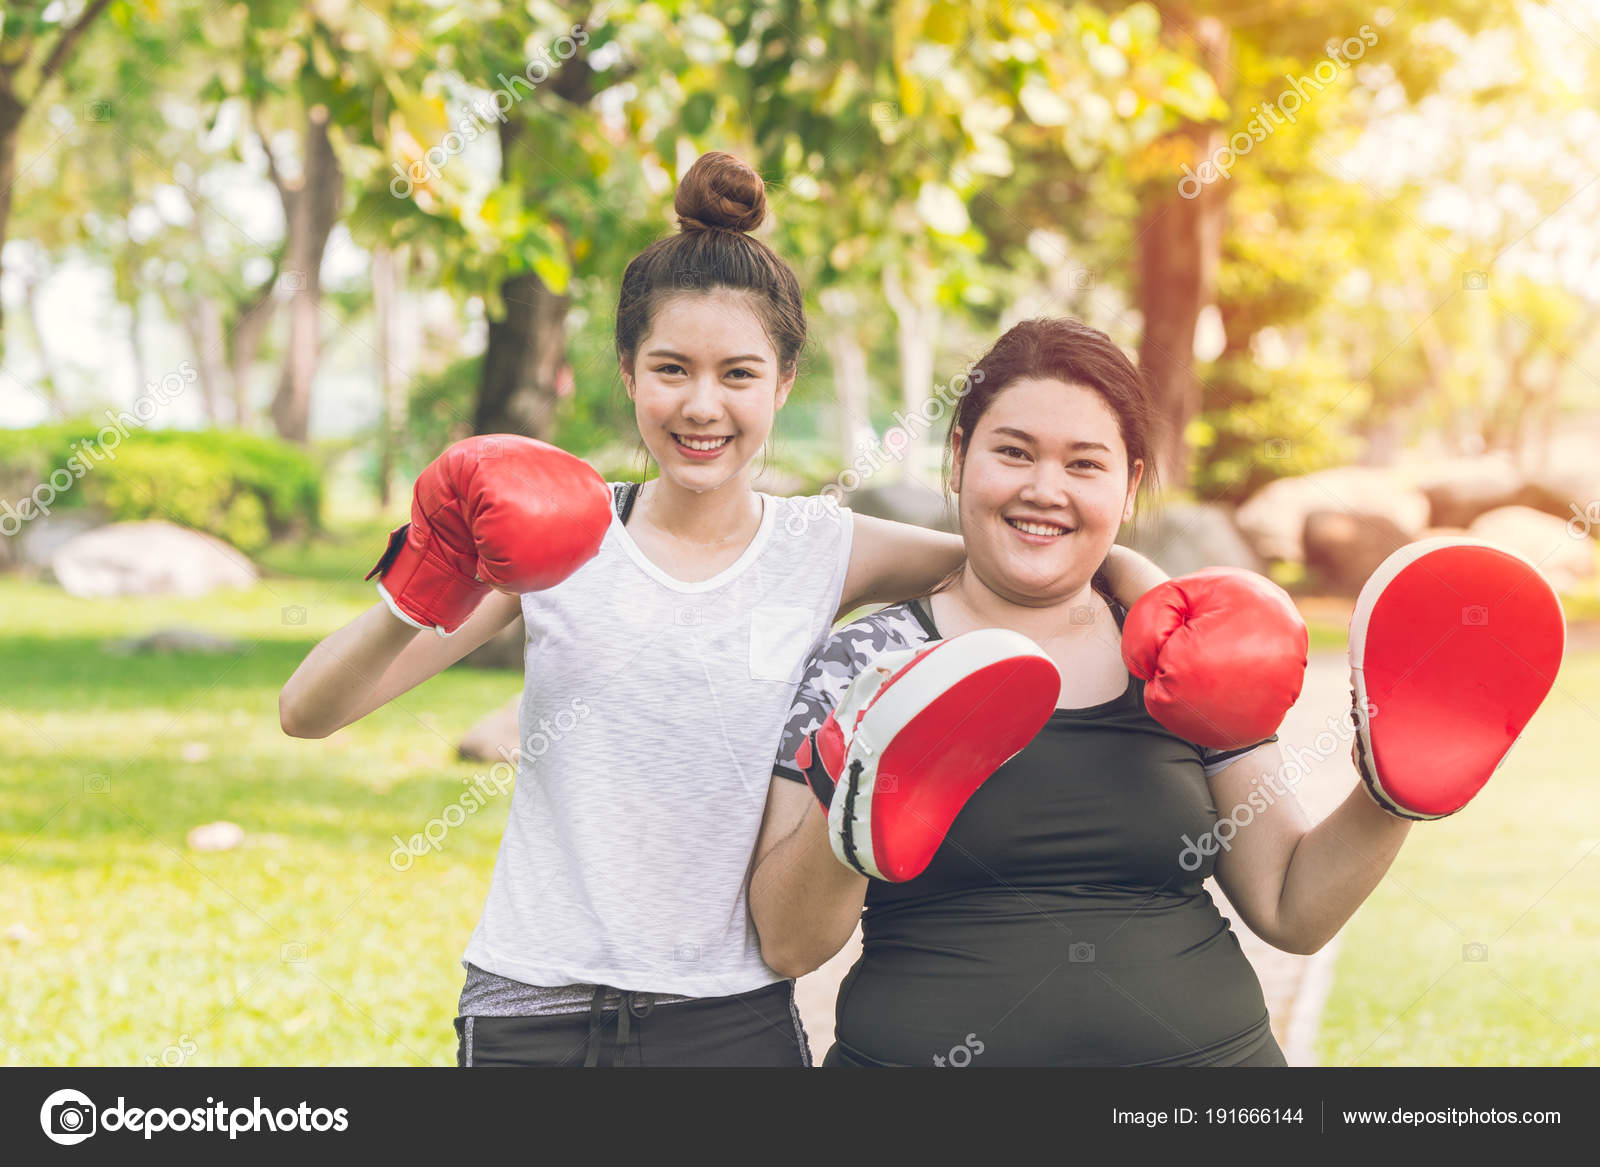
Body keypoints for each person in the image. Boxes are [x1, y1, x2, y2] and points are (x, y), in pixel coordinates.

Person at [279, 155, 1166, 1067]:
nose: (703, 405)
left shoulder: (824, 546)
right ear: (628, 373)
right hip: (531, 1008)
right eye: (672, 368)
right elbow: (308, 712)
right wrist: (426, 576)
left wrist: (1146, 588)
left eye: (738, 373)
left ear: (782, 383)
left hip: (730, 1020)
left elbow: (1020, 559)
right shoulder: (560, 541)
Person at [750, 316, 1416, 1067]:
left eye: (1084, 464)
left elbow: (1292, 906)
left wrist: (1393, 790)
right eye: (1013, 452)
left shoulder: (1185, 656)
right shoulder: (865, 660)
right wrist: (855, 781)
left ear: (1129, 484)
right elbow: (789, 941)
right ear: (961, 457)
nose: (1044, 489)